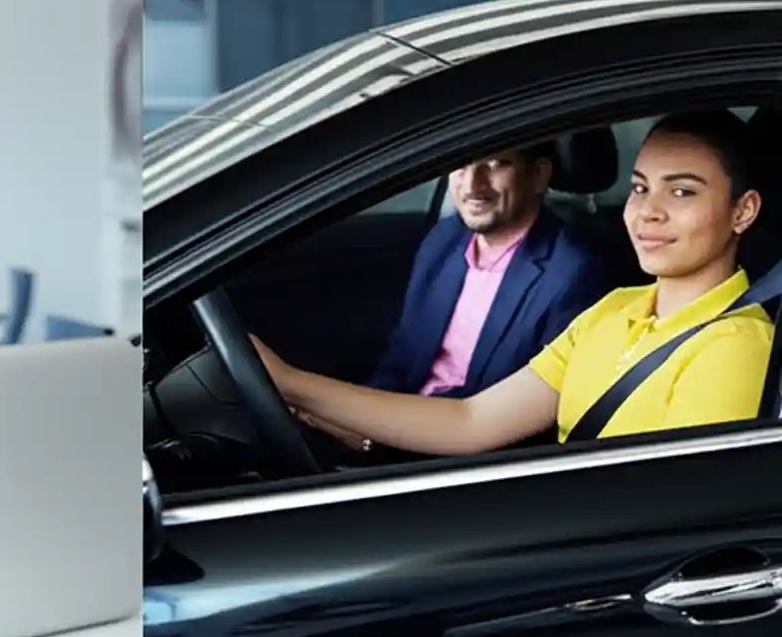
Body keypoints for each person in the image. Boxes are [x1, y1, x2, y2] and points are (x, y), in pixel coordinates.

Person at [258, 110, 772, 457]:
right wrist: (292, 383)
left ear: (743, 211)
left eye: (681, 192)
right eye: (640, 189)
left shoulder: (737, 345)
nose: (647, 212)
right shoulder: (616, 308)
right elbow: (472, 421)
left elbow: (680, 508)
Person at [366, 141, 607, 400]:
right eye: (460, 165)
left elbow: (524, 404)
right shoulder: (443, 239)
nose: (472, 186)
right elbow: (404, 352)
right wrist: (369, 409)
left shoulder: (574, 274)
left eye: (495, 165)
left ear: (538, 175)